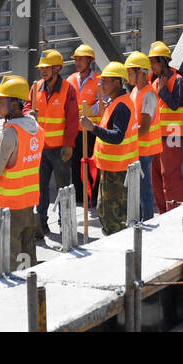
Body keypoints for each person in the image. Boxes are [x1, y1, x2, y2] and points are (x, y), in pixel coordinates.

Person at [0, 76, 43, 278]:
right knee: (27, 247)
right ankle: (31, 284)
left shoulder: (10, 134)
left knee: (11, 253)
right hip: (29, 200)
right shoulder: (37, 130)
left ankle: (11, 289)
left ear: (14, 103)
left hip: (10, 203)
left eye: (1, 100)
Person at [25, 48, 78, 239]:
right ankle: (41, 224)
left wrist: (69, 145)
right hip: (39, 148)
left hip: (59, 149)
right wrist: (27, 113)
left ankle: (66, 225)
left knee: (63, 189)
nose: (43, 71)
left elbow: (73, 120)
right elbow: (28, 107)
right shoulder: (36, 87)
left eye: (47, 67)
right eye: (42, 67)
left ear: (57, 68)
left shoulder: (68, 90)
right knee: (40, 188)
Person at [80, 62, 136, 236]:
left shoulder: (121, 106)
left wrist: (93, 128)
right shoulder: (116, 103)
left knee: (113, 216)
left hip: (117, 170)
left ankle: (118, 245)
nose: (101, 85)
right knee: (104, 211)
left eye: (106, 81)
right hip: (110, 168)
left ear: (117, 83)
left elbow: (117, 136)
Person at [147, 41, 183, 213]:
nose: (152, 66)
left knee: (170, 175)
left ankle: (175, 210)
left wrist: (163, 90)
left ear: (163, 61)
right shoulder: (155, 83)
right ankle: (163, 211)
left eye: (154, 62)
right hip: (157, 135)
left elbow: (176, 104)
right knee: (156, 176)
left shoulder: (178, 80)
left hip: (172, 134)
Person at [65, 44, 100, 207]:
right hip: (75, 130)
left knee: (92, 162)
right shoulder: (70, 80)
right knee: (75, 163)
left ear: (89, 61)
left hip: (91, 129)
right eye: (76, 59)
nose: (77, 63)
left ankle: (93, 196)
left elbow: (102, 105)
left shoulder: (99, 81)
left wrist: (86, 111)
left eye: (81, 59)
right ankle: (80, 196)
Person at [125, 50, 158, 220]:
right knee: (136, 189)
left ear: (141, 72)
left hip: (145, 151)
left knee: (144, 189)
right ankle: (139, 220)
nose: (128, 75)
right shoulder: (135, 91)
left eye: (130, 72)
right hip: (136, 150)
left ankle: (148, 219)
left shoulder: (149, 94)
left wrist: (125, 134)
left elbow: (144, 127)